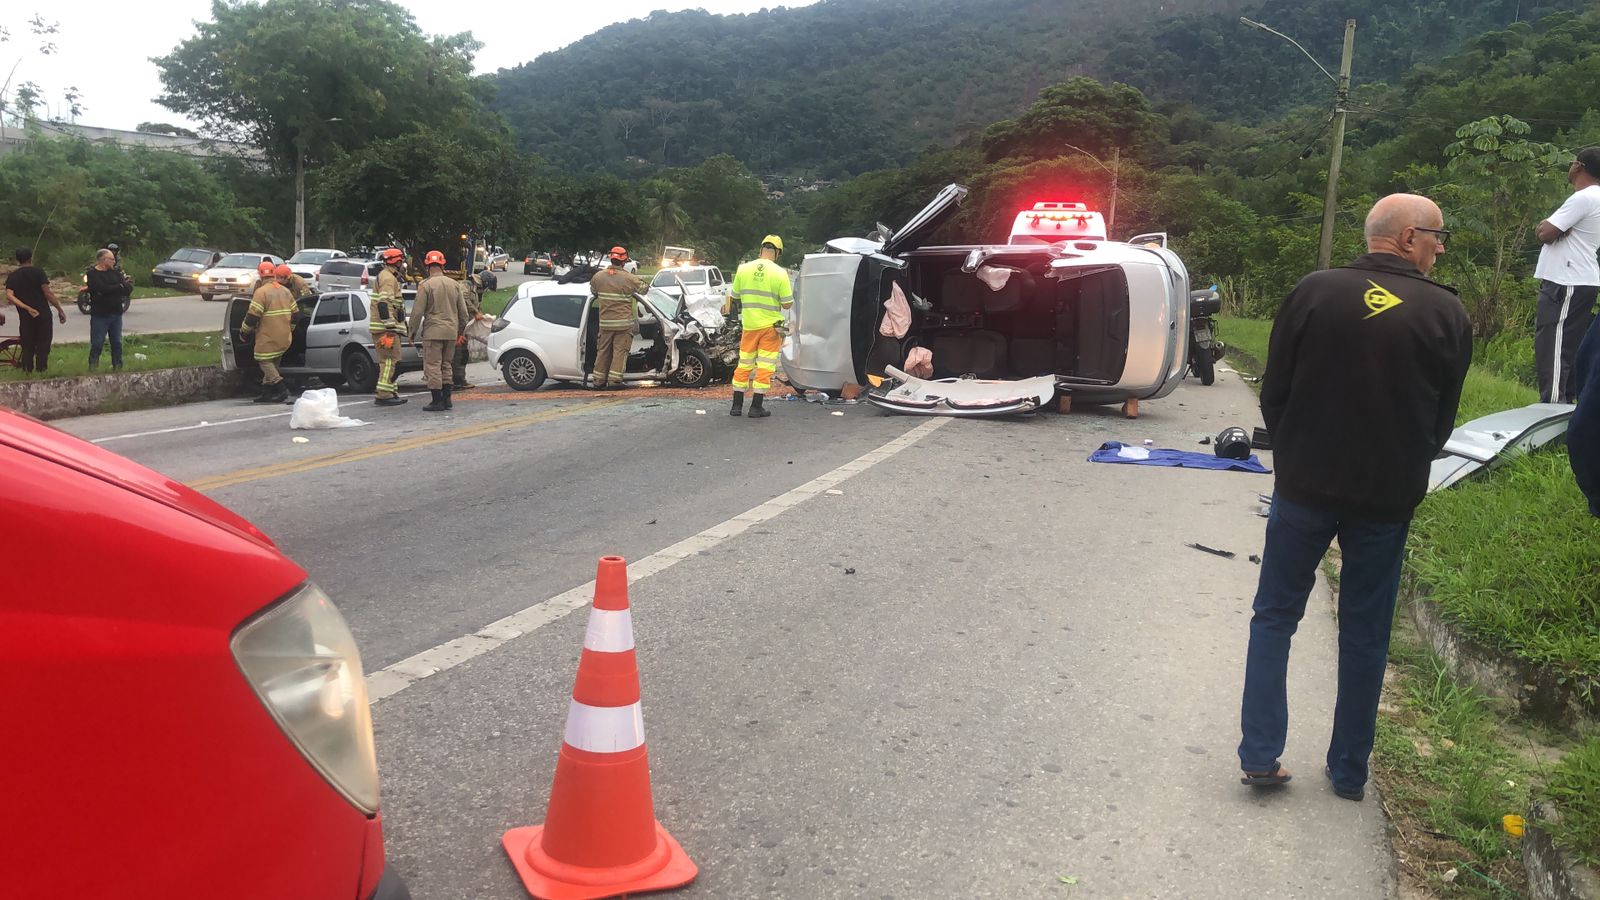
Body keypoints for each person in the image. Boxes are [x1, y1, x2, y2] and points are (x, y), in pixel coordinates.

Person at [1239, 194, 1473, 802]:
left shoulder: (1313, 291)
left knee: (1274, 617)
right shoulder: (1447, 312)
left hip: (1304, 487)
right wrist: (1403, 463)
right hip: (1385, 498)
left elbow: (1276, 391)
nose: (1440, 247)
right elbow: (1442, 420)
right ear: (1407, 237)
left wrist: (1293, 460)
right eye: (1437, 236)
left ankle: (1260, 754)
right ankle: (1348, 773)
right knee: (1366, 632)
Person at [1533, 147, 1600, 404]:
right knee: (1569, 346)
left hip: (1566, 280)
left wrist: (1551, 227)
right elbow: (1553, 231)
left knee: (1552, 346)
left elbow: (1545, 233)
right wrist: (1557, 229)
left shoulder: (1583, 198)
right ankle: (1568, 404)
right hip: (1582, 278)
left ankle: (1551, 407)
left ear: (1578, 167)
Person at [724, 235, 793, 418]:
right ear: (777, 253)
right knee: (765, 366)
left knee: (744, 363)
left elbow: (735, 295)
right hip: (770, 328)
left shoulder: (743, 269)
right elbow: (787, 304)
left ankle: (736, 406)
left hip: (749, 326)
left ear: (761, 249)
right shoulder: (780, 273)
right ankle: (756, 407)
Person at [408, 250, 469, 412]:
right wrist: (460, 332)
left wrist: (411, 333)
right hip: (451, 332)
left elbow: (417, 312)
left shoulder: (425, 285)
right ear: (442, 265)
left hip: (433, 332)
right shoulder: (455, 285)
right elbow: (463, 313)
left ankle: (437, 401)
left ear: (428, 266)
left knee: (433, 366)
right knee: (446, 365)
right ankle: (448, 399)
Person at [239, 261, 298, 403]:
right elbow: (296, 313)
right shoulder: (284, 290)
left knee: (263, 360)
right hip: (285, 336)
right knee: (274, 362)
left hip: (268, 336)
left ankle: (282, 389)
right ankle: (267, 392)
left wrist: (244, 332)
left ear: (260, 274)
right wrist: (291, 328)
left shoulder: (261, 292)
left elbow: (252, 316)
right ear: (274, 273)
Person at [587, 246, 645, 390]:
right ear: (624, 261)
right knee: (619, 352)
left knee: (603, 352)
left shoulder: (598, 277)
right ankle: (614, 381)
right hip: (623, 325)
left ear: (610, 258)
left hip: (605, 324)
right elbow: (644, 289)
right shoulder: (629, 278)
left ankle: (598, 381)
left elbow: (593, 291)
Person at [4, 248, 65, 373]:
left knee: (27, 344)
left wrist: (26, 307)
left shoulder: (13, 276)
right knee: (44, 343)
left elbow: (9, 295)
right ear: (31, 258)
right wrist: (59, 309)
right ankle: (41, 370)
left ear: (17, 260)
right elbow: (47, 293)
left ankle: (27, 370)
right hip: (43, 314)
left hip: (26, 316)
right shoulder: (38, 272)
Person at [370, 248, 410, 406]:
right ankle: (384, 394)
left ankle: (390, 391)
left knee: (393, 361)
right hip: (385, 329)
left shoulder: (387, 276)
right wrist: (390, 327)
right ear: (398, 262)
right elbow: (383, 303)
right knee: (389, 361)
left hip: (384, 328)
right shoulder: (388, 279)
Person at [84, 249, 133, 372]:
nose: (114, 261)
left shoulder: (115, 273)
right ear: (103, 260)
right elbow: (101, 289)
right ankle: (93, 366)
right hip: (100, 315)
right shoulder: (92, 274)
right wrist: (118, 287)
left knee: (117, 342)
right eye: (111, 259)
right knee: (97, 343)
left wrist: (118, 287)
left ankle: (117, 366)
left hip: (116, 313)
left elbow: (128, 288)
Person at [453, 272, 485, 391]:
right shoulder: (465, 285)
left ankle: (460, 380)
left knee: (462, 354)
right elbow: (464, 300)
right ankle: (457, 381)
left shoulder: (474, 290)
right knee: (459, 354)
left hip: (463, 326)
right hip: (458, 325)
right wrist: (475, 312)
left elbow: (476, 305)